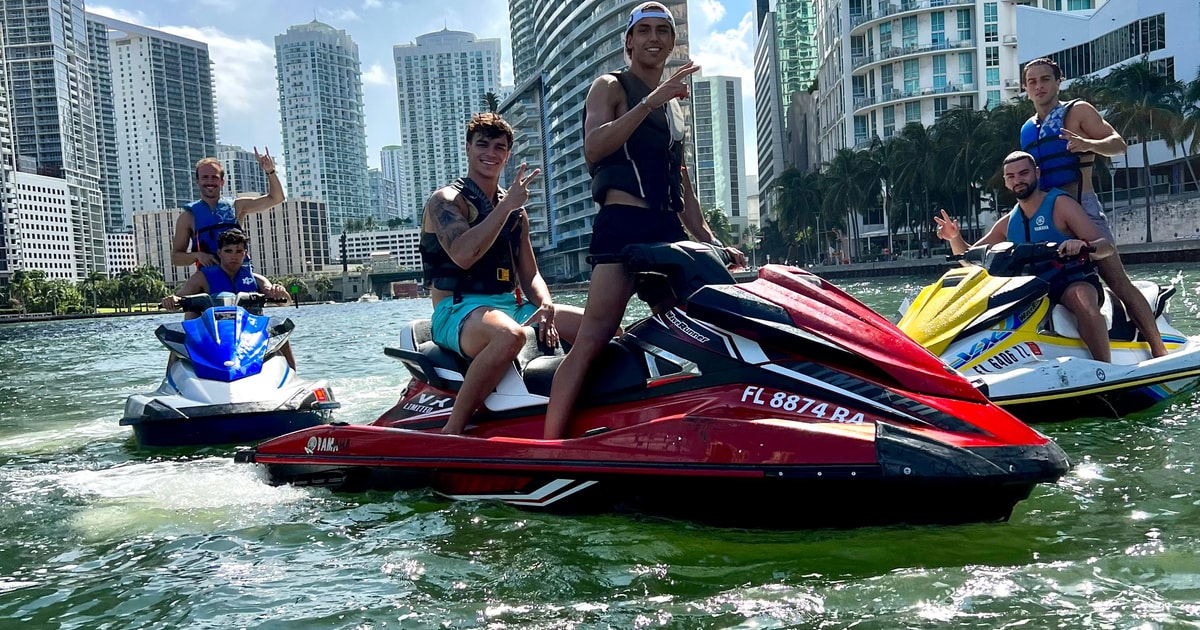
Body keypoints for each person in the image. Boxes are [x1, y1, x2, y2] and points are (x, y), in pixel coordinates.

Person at [541, 2, 745, 440]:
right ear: (629, 41)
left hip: (668, 234)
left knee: (703, 330)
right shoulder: (610, 86)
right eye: (645, 31)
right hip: (624, 227)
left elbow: (682, 183)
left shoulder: (676, 106)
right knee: (594, 338)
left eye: (663, 31)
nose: (654, 38)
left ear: (672, 42)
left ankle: (703, 425)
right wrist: (650, 101)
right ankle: (550, 442)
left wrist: (711, 242)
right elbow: (594, 148)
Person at [421, 112, 584, 435]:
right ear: (468, 148)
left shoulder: (514, 211)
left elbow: (530, 274)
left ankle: (591, 408)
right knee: (509, 335)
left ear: (507, 155)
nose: (490, 153)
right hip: (457, 311)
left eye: (499, 147)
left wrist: (546, 305)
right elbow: (464, 255)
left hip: (509, 306)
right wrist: (506, 205)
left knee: (601, 328)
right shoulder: (446, 201)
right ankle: (453, 430)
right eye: (482, 145)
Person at [1020, 58, 1166, 357]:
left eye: (1045, 79)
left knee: (1116, 279)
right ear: (1025, 88)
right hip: (1049, 216)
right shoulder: (1027, 129)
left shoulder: (1078, 111)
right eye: (1032, 81)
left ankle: (1159, 350)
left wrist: (1088, 143)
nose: (1039, 86)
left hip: (1081, 206)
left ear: (1058, 81)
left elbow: (1118, 144)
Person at [935, 151, 1115, 362]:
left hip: (1072, 281)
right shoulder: (1008, 222)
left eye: (1023, 173)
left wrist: (1083, 244)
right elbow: (971, 259)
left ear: (1036, 173)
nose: (1018, 180)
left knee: (1080, 299)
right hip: (1032, 289)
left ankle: (1105, 366)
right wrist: (954, 237)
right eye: (1011, 176)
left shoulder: (1060, 205)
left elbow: (1106, 247)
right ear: (1006, 182)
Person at [160, 229, 296, 369]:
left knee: (279, 331)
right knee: (186, 326)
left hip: (250, 337)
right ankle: (171, 379)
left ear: (245, 254)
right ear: (219, 253)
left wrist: (280, 292)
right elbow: (179, 298)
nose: (234, 256)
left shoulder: (256, 280)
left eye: (239, 251)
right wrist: (171, 300)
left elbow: (284, 302)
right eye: (228, 251)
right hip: (213, 337)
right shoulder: (202, 278)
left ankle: (292, 377)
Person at [171, 149, 283, 270]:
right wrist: (197, 255)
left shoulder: (237, 206)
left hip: (241, 275)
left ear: (222, 181)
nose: (210, 182)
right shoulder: (188, 217)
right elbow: (176, 258)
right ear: (197, 181)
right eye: (205, 177)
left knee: (270, 288)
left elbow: (276, 198)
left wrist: (270, 171)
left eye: (214, 177)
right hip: (208, 280)